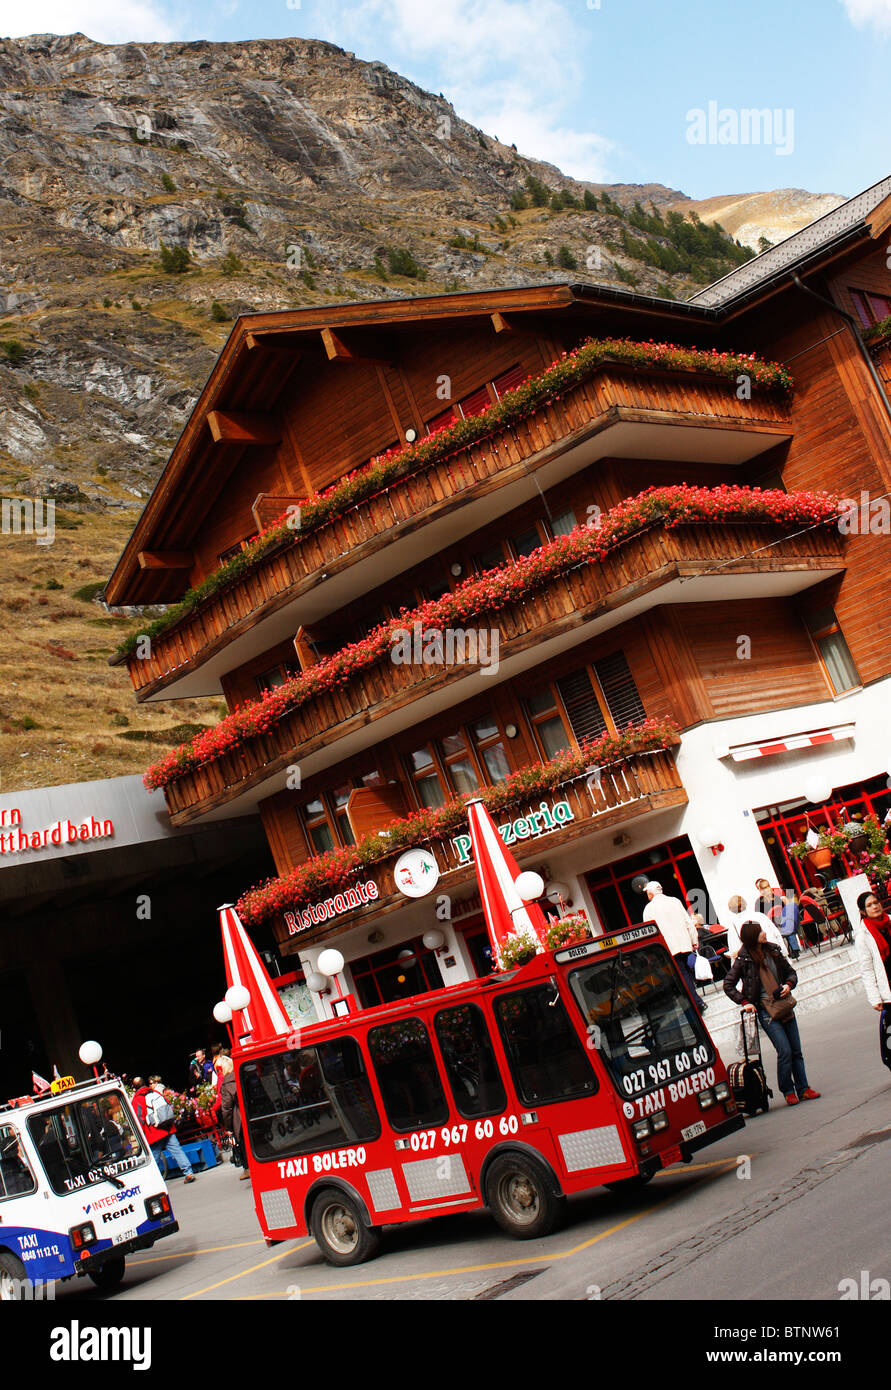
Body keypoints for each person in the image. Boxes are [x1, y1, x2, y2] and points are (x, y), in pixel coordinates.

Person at [723, 920, 821, 1106]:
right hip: (764, 1009)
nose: (764, 933)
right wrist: (745, 1002)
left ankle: (803, 1088)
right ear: (752, 937)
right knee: (784, 1050)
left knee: (796, 1050)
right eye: (760, 931)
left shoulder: (773, 951)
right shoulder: (744, 959)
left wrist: (788, 984)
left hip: (783, 1004)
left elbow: (791, 973)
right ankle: (788, 1090)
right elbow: (728, 985)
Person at [642, 881, 706, 1012]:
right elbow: (688, 922)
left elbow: (650, 933)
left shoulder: (648, 909)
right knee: (686, 973)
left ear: (650, 893)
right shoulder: (675, 901)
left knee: (682, 975)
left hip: (667, 948)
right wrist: (694, 940)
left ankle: (696, 1002)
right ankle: (695, 1000)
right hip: (684, 943)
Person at [132, 1077, 197, 1184]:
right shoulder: (155, 1092)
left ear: (135, 1088)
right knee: (177, 1150)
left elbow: (139, 1119)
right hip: (167, 1128)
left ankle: (157, 1182)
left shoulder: (137, 1100)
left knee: (155, 1158)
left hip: (153, 1133)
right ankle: (188, 1172)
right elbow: (167, 1106)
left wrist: (141, 1135)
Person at [854, 890, 891, 1070]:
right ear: (862, 911)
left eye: (876, 902)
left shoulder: (890, 922)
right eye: (869, 905)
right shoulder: (863, 937)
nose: (875, 906)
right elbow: (866, 969)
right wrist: (875, 998)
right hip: (888, 988)